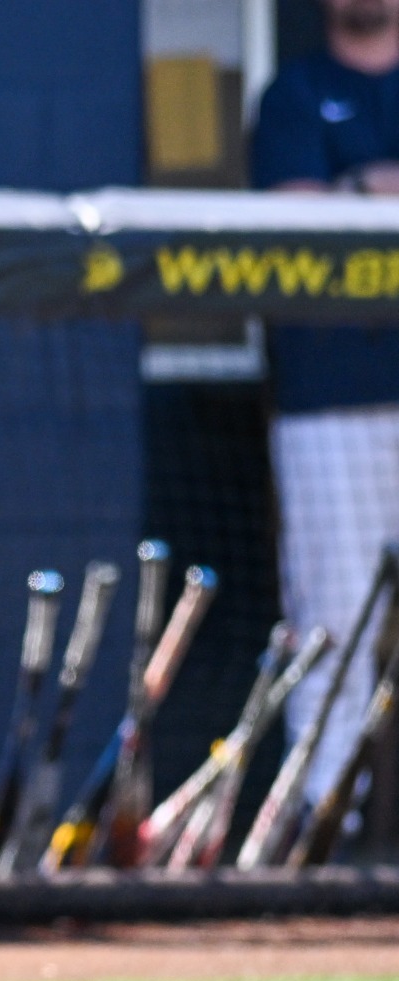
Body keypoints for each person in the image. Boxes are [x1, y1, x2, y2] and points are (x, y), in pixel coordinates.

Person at [252, 0, 399, 814]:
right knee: (335, 617)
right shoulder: (296, 93)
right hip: (329, 399)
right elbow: (294, 215)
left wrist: (360, 187)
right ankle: (325, 811)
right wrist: (359, 186)